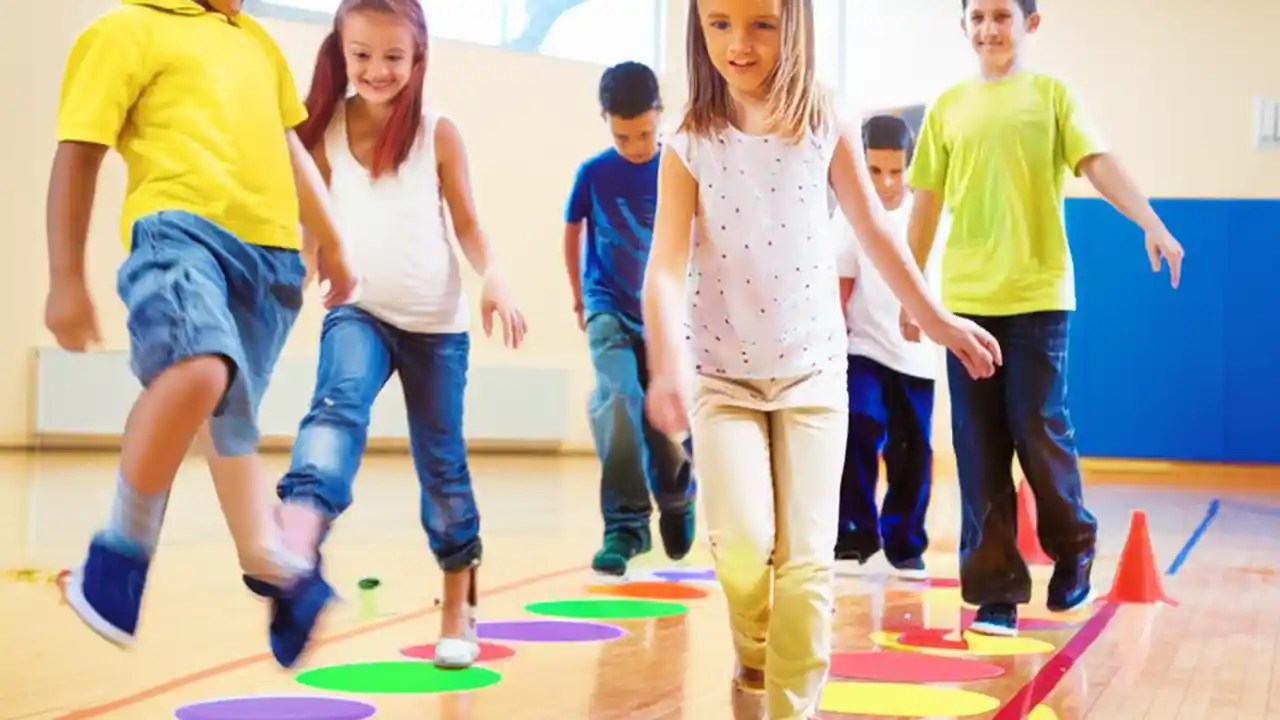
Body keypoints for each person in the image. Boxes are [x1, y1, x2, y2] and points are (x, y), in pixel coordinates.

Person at [641, 1, 1002, 716]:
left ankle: (791, 707)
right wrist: (665, 362)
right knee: (744, 548)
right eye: (720, 24)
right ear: (697, 27)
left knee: (806, 563)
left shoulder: (823, 122)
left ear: (795, 24)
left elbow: (875, 229)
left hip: (811, 376)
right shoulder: (690, 138)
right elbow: (663, 267)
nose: (739, 45)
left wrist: (938, 319)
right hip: (723, 378)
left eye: (762, 24)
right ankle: (752, 647)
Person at [47, 0, 356, 658]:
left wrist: (331, 239)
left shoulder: (255, 44)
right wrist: (66, 277)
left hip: (270, 264)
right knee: (200, 368)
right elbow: (79, 153)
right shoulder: (126, 30)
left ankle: (281, 571)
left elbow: (288, 149)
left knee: (228, 419)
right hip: (179, 234)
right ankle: (118, 556)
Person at [253, 0, 528, 669]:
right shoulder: (326, 130)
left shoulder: (439, 134)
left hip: (436, 326)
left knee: (442, 466)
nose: (376, 70)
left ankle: (459, 600)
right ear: (341, 53)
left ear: (418, 58)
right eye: (362, 55)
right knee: (336, 405)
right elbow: (312, 222)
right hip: (360, 308)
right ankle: (300, 529)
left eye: (392, 57)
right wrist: (293, 279)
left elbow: (466, 221)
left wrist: (494, 275)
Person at [905, 0, 1185, 637]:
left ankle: (1073, 546)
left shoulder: (1055, 95)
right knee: (977, 450)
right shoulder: (947, 107)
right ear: (964, 27)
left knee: (1037, 430)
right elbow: (926, 201)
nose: (988, 28)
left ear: (1030, 24)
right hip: (966, 303)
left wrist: (1152, 222)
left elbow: (1097, 163)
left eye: (1001, 16)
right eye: (977, 17)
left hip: (1038, 296)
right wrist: (914, 292)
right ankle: (996, 590)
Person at [564, 61, 696, 577]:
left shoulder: (677, 169)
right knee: (619, 401)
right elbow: (572, 228)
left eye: (645, 134)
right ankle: (625, 526)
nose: (637, 146)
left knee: (665, 414)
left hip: (664, 316)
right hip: (607, 306)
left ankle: (677, 495)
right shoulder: (594, 173)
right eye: (624, 136)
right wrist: (580, 296)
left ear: (660, 116)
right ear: (606, 121)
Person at [833, 115, 939, 581]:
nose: (887, 183)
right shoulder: (850, 215)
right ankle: (854, 534)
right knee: (859, 423)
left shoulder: (933, 216)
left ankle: (905, 543)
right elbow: (840, 285)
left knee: (913, 448)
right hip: (863, 349)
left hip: (918, 354)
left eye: (896, 171)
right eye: (875, 172)